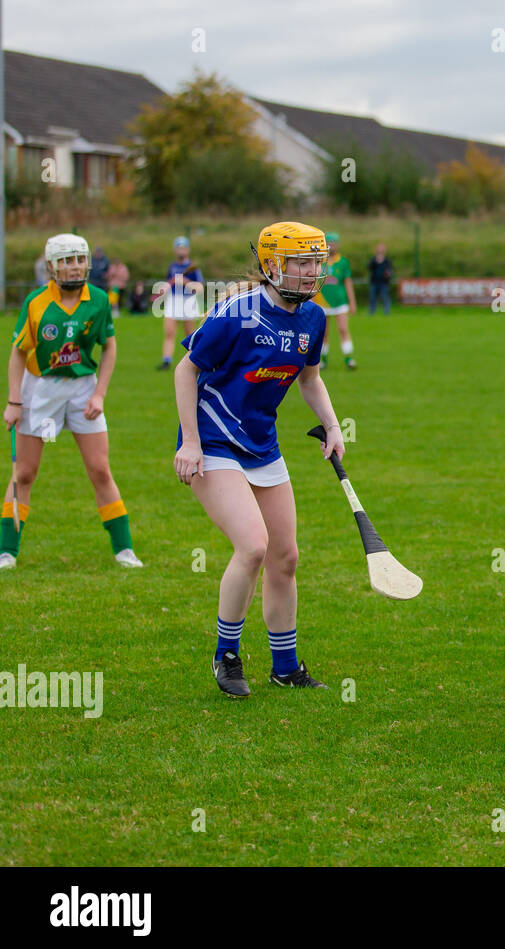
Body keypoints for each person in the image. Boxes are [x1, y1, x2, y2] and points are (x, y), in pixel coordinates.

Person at [173, 221, 343, 699]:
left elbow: (309, 378)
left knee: (285, 557)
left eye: (316, 262)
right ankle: (226, 654)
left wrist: (331, 424)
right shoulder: (237, 312)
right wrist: (190, 442)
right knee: (252, 547)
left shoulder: (314, 318)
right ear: (272, 265)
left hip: (261, 443)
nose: (312, 273)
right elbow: (187, 371)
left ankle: (285, 667)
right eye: (301, 263)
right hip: (212, 440)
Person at [2, 233, 143, 571]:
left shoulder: (97, 299)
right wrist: (14, 400)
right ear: (52, 267)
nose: (74, 266)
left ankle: (124, 550)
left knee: (99, 469)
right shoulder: (36, 302)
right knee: (24, 472)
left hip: (83, 389)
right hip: (41, 389)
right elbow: (18, 354)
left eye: (78, 259)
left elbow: (109, 347)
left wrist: (99, 394)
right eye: (66, 261)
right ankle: (7, 550)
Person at [158, 237, 203, 371]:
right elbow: (169, 281)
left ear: (188, 250)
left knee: (190, 336)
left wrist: (185, 282)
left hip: (188, 301)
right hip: (173, 300)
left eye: (183, 248)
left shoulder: (193, 268)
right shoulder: (173, 266)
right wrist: (164, 289)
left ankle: (195, 361)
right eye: (178, 248)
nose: (181, 250)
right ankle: (166, 361)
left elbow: (200, 288)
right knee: (169, 332)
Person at [313, 232, 357, 370]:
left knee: (343, 329)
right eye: (329, 242)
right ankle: (323, 360)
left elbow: (348, 282)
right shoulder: (318, 261)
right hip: (322, 302)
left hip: (340, 301)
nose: (332, 245)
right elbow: (313, 282)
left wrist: (352, 301)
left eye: (334, 242)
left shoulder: (343, 262)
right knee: (324, 333)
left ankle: (349, 359)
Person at [367, 243, 395, 316]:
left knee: (385, 298)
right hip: (374, 282)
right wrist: (376, 261)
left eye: (381, 248)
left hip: (384, 283)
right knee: (372, 298)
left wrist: (388, 274)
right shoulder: (373, 260)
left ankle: (387, 312)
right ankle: (371, 312)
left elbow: (390, 270)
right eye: (379, 248)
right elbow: (369, 267)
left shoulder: (387, 261)